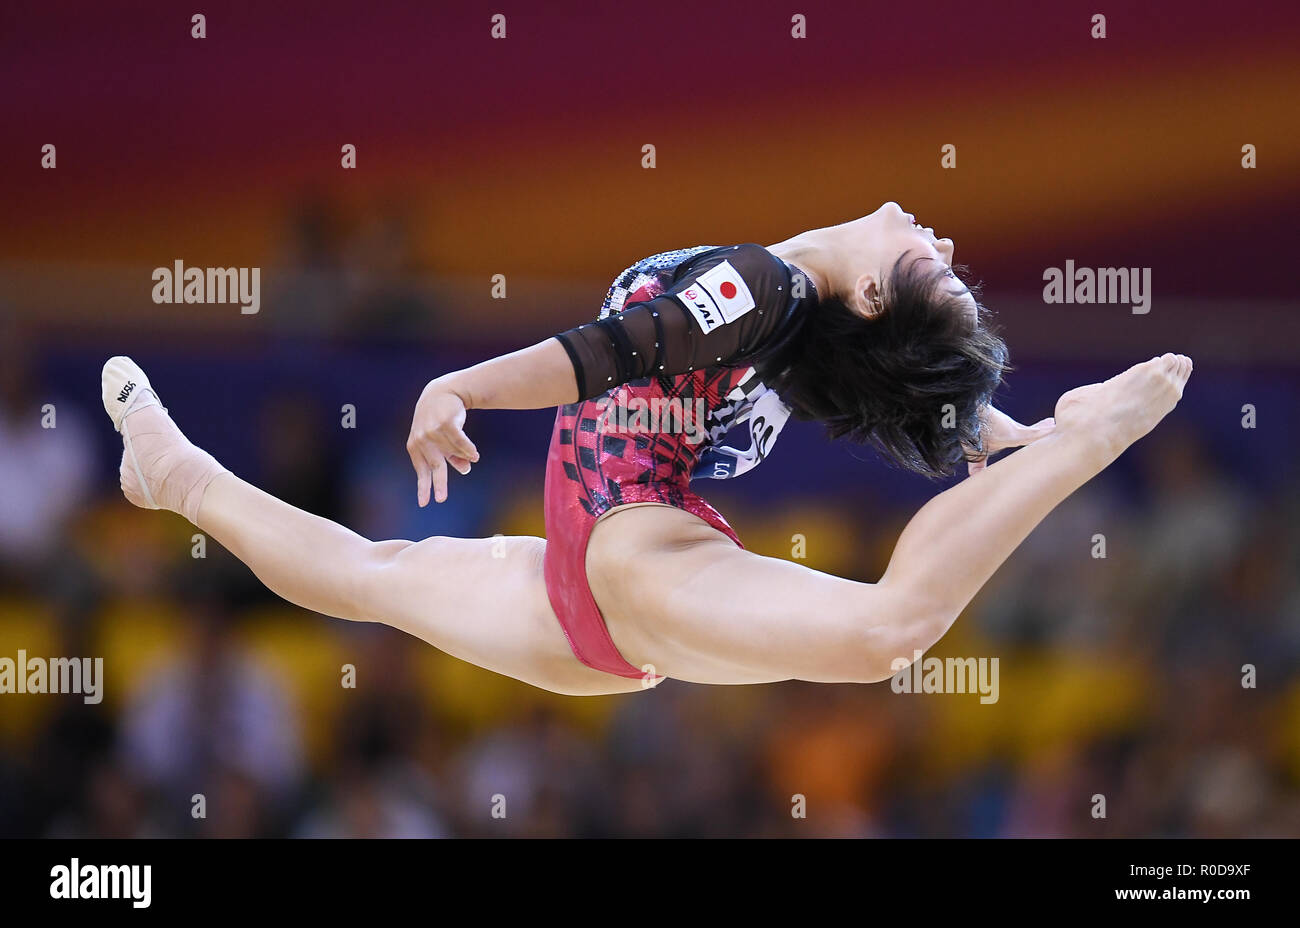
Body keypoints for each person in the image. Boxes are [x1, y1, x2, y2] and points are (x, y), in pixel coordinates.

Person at [101, 202, 1193, 696]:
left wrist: (460, 383)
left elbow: (608, 352)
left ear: (871, 292)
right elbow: (923, 403)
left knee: (887, 629)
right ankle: (173, 472)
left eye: (933, 269)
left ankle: (1092, 446)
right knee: (363, 574)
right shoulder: (807, 329)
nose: (942, 244)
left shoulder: (763, 290)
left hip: (632, 553)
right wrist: (1013, 425)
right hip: (599, 605)